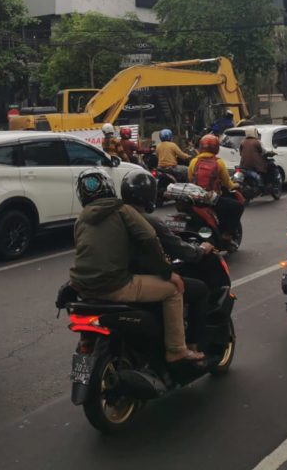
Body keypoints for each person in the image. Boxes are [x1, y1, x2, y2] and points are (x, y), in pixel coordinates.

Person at [68, 168, 204, 363]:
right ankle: (176, 349)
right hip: (115, 286)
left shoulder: (81, 219)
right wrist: (167, 273)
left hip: (83, 287)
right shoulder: (123, 211)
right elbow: (149, 238)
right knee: (174, 289)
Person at [121, 169, 215, 352]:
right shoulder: (150, 221)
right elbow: (179, 248)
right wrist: (200, 250)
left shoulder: (115, 218)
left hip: (114, 277)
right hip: (136, 280)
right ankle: (190, 347)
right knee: (198, 290)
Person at [187, 134, 245, 244]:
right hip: (211, 199)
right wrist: (236, 185)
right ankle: (227, 234)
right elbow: (228, 183)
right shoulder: (219, 162)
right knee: (238, 206)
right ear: (216, 148)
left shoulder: (194, 162)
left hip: (195, 198)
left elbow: (190, 179)